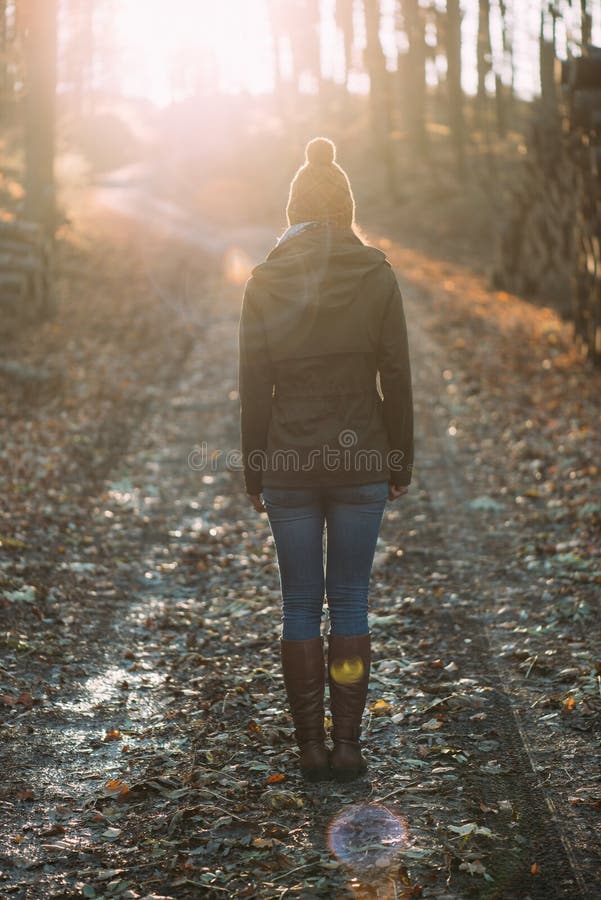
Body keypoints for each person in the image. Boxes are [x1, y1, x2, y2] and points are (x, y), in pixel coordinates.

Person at [238, 136, 413, 782]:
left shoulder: (264, 280)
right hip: (360, 459)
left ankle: (310, 748)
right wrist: (399, 460)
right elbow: (396, 375)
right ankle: (347, 747)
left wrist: (254, 469)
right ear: (345, 210)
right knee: (350, 600)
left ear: (293, 212)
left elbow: (254, 386)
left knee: (298, 604)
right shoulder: (376, 276)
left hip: (287, 463)